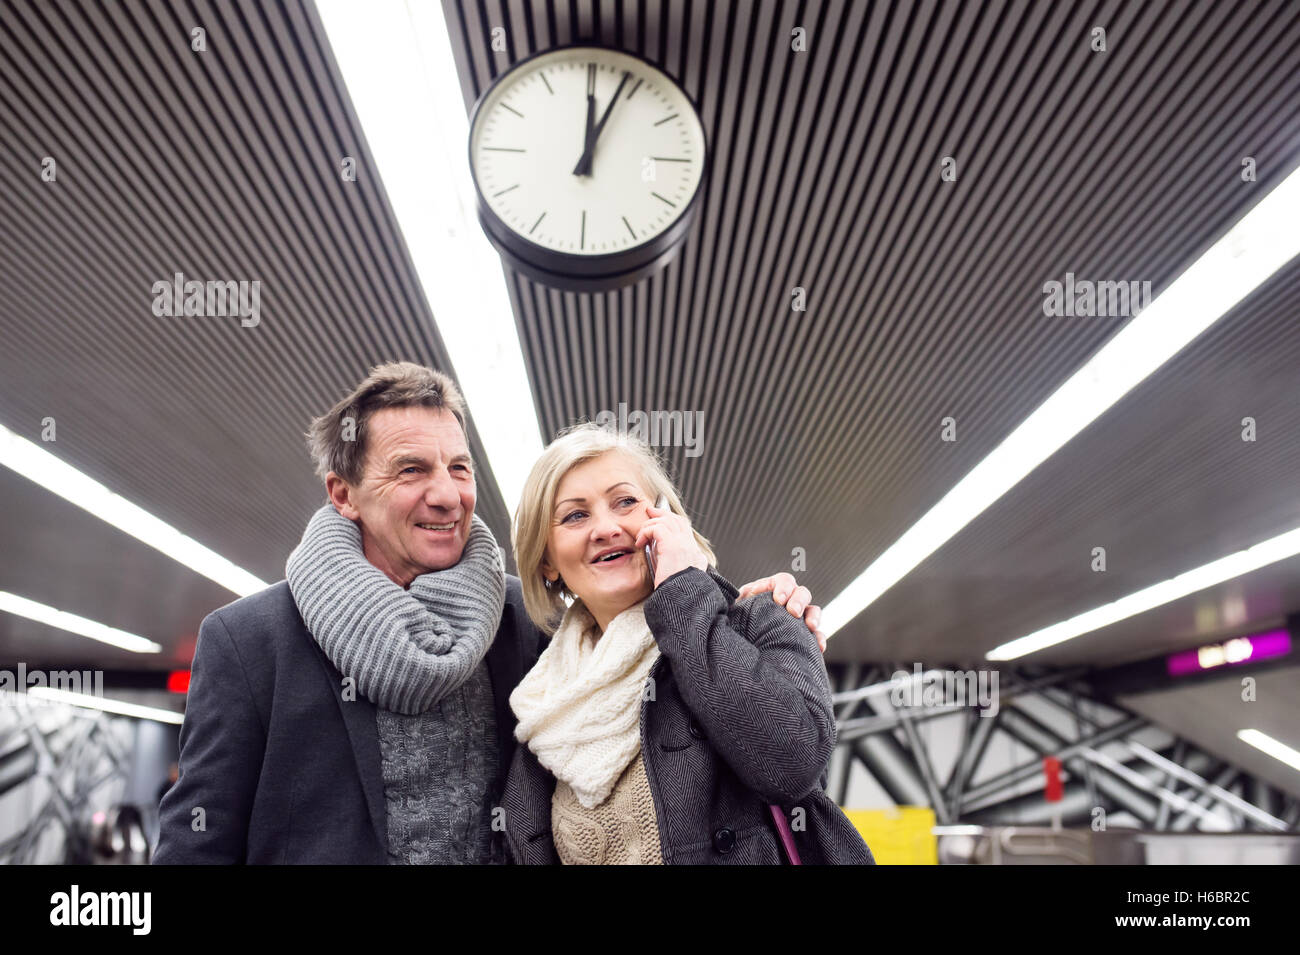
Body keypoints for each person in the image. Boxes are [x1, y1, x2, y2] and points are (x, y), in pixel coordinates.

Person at [155, 362, 823, 864]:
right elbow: (195, 843)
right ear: (344, 494)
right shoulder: (251, 642)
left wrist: (755, 610)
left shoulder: (523, 627)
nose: (446, 494)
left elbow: (664, 643)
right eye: (411, 469)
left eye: (460, 466)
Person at [502, 423, 875, 864]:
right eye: (575, 515)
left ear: (665, 519)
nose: (605, 527)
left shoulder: (765, 618)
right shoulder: (545, 694)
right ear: (547, 560)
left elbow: (791, 764)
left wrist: (681, 586)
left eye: (625, 501)